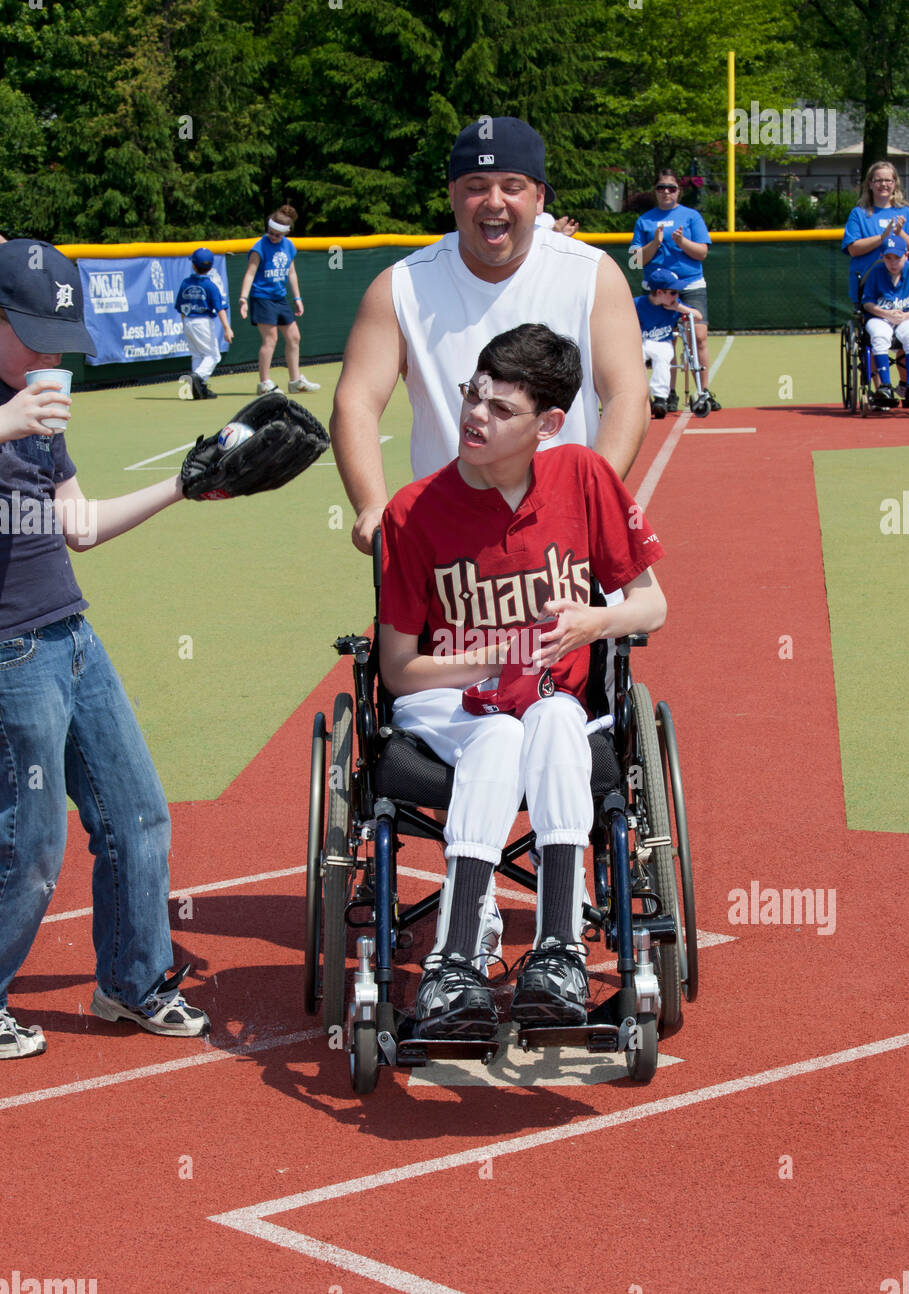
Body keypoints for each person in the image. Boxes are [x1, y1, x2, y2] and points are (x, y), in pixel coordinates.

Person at [379, 324, 667, 1039]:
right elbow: (397, 668)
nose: (475, 416)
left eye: (499, 409)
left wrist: (589, 624)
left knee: (553, 717)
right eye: (472, 395)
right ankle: (453, 962)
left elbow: (652, 604)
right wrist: (500, 655)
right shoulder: (412, 512)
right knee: (505, 732)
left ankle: (559, 953)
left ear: (549, 424)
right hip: (447, 705)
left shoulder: (583, 476)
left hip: (554, 702)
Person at [0, 239, 210, 1058]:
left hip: (70, 632)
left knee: (136, 813)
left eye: (60, 340)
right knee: (29, 842)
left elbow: (77, 526)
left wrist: (187, 485)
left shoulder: (39, 404)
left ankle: (132, 980)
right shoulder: (16, 407)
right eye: (31, 335)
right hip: (10, 655)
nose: (51, 357)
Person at [330, 116, 650, 557]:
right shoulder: (399, 287)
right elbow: (356, 402)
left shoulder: (592, 274)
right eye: (476, 185)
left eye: (512, 186)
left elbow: (627, 396)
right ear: (452, 195)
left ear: (539, 198)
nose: (494, 202)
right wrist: (371, 505)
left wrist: (590, 502)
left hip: (567, 544)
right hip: (446, 550)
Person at [629, 171, 720, 411]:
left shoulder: (691, 216)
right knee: (661, 339)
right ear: (655, 190)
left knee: (698, 337)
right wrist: (656, 242)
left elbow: (702, 253)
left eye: (671, 188)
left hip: (689, 284)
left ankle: (703, 391)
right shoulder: (645, 220)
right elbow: (637, 260)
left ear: (678, 190)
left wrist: (682, 243)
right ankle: (668, 393)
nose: (666, 192)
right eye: (661, 188)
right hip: (658, 289)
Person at [238, 204, 320, 396]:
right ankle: (264, 383)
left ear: (285, 233)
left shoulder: (288, 246)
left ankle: (295, 381)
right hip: (262, 297)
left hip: (280, 298)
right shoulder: (259, 247)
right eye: (271, 232)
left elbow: (291, 273)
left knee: (294, 337)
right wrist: (243, 299)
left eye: (277, 234)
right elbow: (250, 274)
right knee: (271, 339)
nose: (273, 237)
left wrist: (297, 297)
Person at [859, 234, 909, 407]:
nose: (893, 262)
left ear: (906, 255)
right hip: (880, 317)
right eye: (888, 258)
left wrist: (907, 315)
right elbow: (867, 303)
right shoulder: (876, 272)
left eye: (897, 258)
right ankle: (884, 386)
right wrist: (885, 313)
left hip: (906, 316)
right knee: (880, 334)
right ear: (882, 257)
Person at [841, 161, 909, 305]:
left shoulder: (907, 213)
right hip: (869, 284)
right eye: (878, 180)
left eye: (888, 180)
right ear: (870, 184)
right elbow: (853, 249)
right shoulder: (858, 214)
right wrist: (882, 237)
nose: (883, 184)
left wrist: (900, 233)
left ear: (895, 184)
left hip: (901, 287)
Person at [635, 267, 703, 418]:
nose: (677, 295)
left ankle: (660, 399)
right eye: (673, 292)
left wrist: (678, 307)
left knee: (664, 356)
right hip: (641, 341)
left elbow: (697, 316)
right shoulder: (638, 303)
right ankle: (644, 398)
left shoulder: (675, 304)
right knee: (635, 359)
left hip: (662, 342)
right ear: (659, 292)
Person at [175, 246, 233, 400]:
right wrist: (227, 328)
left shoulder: (185, 283)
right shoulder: (210, 285)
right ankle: (198, 377)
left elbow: (181, 307)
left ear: (194, 265)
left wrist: (185, 324)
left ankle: (197, 389)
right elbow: (220, 308)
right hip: (203, 322)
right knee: (213, 356)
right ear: (210, 267)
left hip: (188, 320)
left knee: (197, 355)